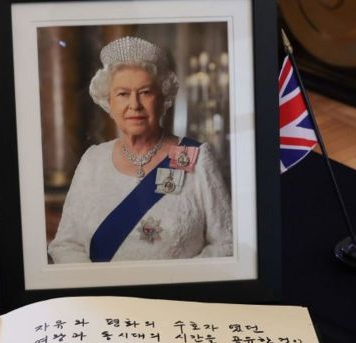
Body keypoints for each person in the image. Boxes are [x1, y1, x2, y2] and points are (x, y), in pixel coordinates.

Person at [47, 36, 232, 263]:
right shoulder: (92, 161)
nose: (134, 105)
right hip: (104, 297)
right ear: (109, 102)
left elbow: (226, 242)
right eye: (123, 94)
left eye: (145, 92)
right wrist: (98, 289)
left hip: (176, 297)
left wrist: (176, 283)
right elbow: (65, 244)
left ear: (163, 98)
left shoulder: (196, 156)